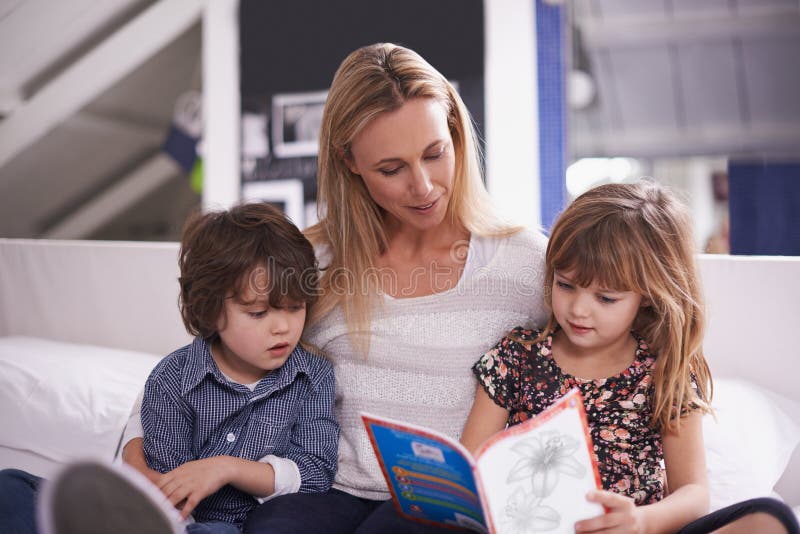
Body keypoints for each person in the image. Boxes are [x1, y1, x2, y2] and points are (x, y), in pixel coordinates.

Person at [116, 42, 548, 533]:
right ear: (349, 162)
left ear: (455, 136)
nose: (423, 186)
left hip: (440, 507)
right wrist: (140, 465)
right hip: (324, 491)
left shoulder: (525, 264)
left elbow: (613, 360)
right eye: (391, 169)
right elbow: (196, 366)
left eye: (434, 154)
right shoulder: (310, 261)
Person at [460, 181, 800, 534]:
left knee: (767, 518)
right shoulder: (516, 357)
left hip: (639, 530)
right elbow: (469, 469)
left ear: (647, 296)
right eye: (565, 285)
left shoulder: (664, 370)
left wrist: (640, 521)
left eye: (605, 298)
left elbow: (694, 493)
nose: (578, 309)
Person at [0, 202, 339, 534]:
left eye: (295, 307)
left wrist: (226, 469)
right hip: (165, 515)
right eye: (258, 313)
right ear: (210, 311)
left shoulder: (314, 377)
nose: (283, 327)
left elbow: (313, 472)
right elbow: (165, 484)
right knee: (11, 486)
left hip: (224, 527)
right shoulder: (173, 377)